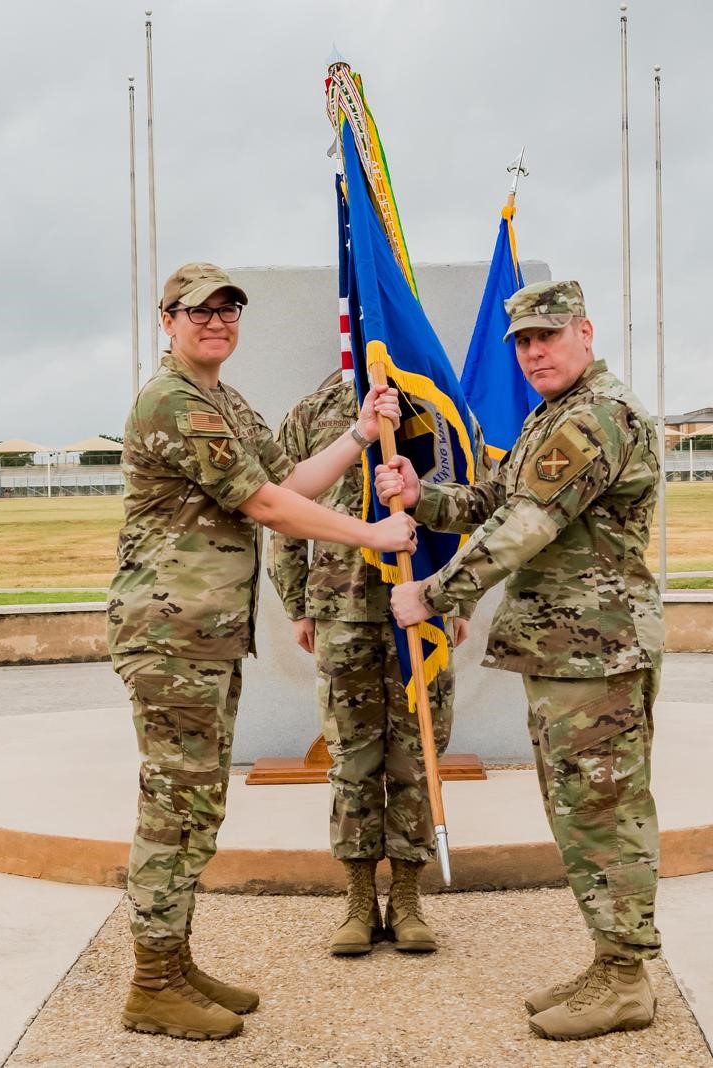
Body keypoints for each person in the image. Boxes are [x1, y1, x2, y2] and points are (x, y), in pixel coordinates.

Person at [107, 262, 417, 1041]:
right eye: (199, 311)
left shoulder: (225, 400)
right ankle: (151, 982)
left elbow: (294, 479)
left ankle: (175, 964)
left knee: (198, 805)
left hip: (203, 638)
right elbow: (266, 506)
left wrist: (358, 433)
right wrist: (372, 533)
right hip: (169, 637)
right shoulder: (174, 401)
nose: (216, 322)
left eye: (228, 309)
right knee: (175, 808)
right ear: (167, 320)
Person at [375, 279, 664, 1042]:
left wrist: (433, 594)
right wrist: (423, 496)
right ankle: (610, 963)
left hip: (599, 655)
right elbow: (493, 501)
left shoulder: (597, 418)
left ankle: (626, 977)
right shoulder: (552, 417)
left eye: (549, 336)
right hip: (570, 653)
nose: (534, 352)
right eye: (524, 342)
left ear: (585, 333)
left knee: (605, 815)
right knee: (580, 814)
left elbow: (524, 527)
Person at [268, 371, 469, 957]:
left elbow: (471, 504)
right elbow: (284, 509)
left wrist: (461, 600)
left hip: (422, 608)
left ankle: (406, 899)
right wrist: (297, 603)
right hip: (342, 609)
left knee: (416, 758)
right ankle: (358, 900)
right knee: (352, 762)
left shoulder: (437, 404)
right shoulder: (312, 411)